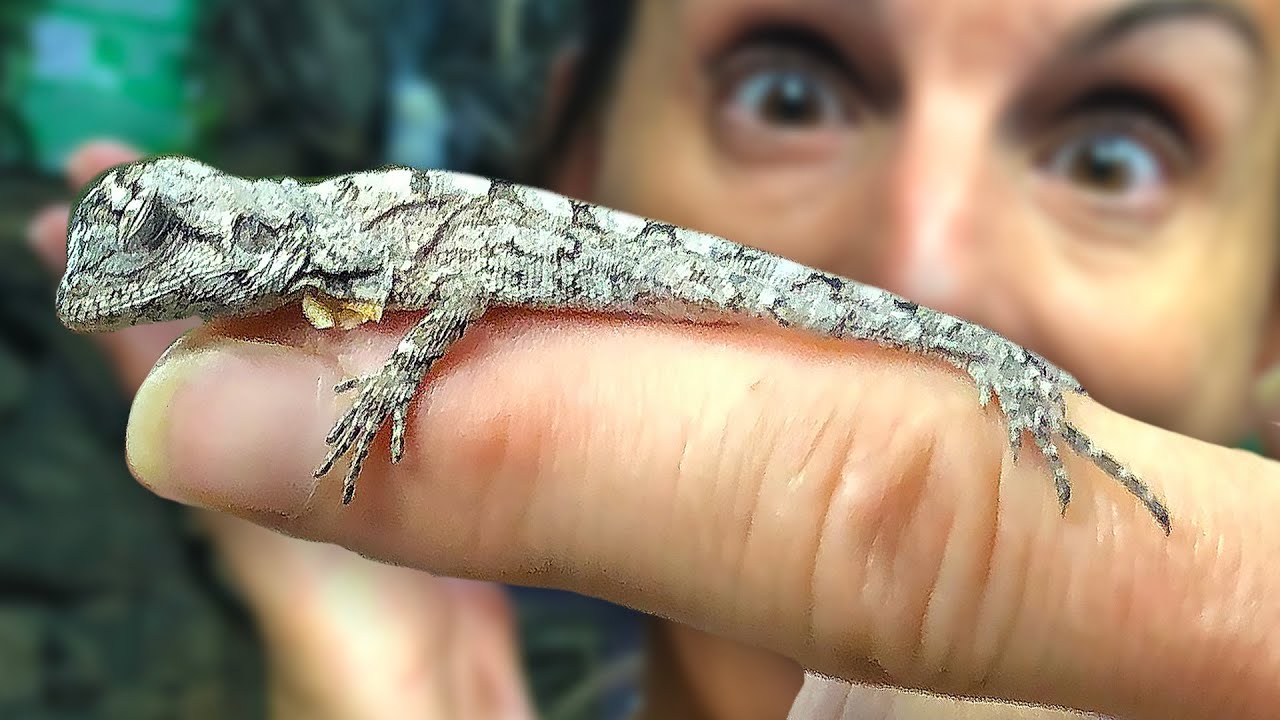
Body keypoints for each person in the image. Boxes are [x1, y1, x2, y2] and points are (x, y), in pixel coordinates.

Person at [31, 0, 1280, 717]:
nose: (929, 249)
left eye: (1110, 159)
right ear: (579, 131)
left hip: (606, 264)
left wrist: (398, 382)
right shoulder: (314, 250)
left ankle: (1011, 377)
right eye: (785, 97)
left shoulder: (338, 235)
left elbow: (463, 283)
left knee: (827, 309)